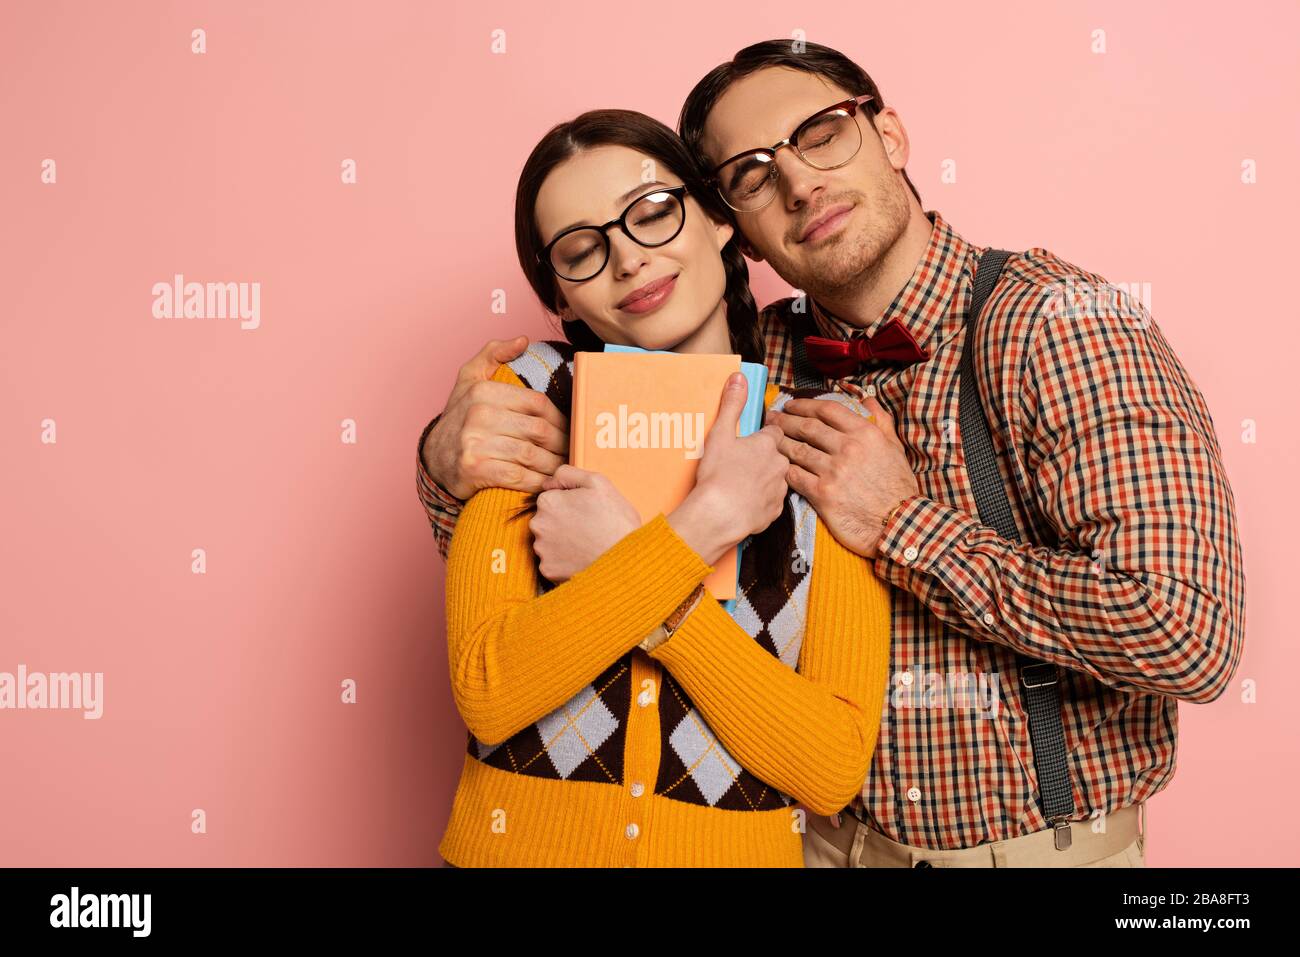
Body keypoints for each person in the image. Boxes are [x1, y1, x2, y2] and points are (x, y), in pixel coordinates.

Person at [420, 40, 1245, 868]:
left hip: (1037, 855)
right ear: (734, 225)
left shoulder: (1060, 325)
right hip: (817, 851)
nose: (799, 182)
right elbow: (520, 592)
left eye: (820, 134)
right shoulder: (751, 373)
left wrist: (900, 524)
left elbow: (1185, 632)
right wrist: (444, 460)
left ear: (890, 135)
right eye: (750, 173)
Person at [430, 109, 891, 868]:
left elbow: (830, 766)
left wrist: (636, 572)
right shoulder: (526, 401)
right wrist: (703, 524)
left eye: (651, 214)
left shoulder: (823, 436)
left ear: (718, 221)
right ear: (559, 295)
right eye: (583, 248)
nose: (629, 261)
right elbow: (490, 687)